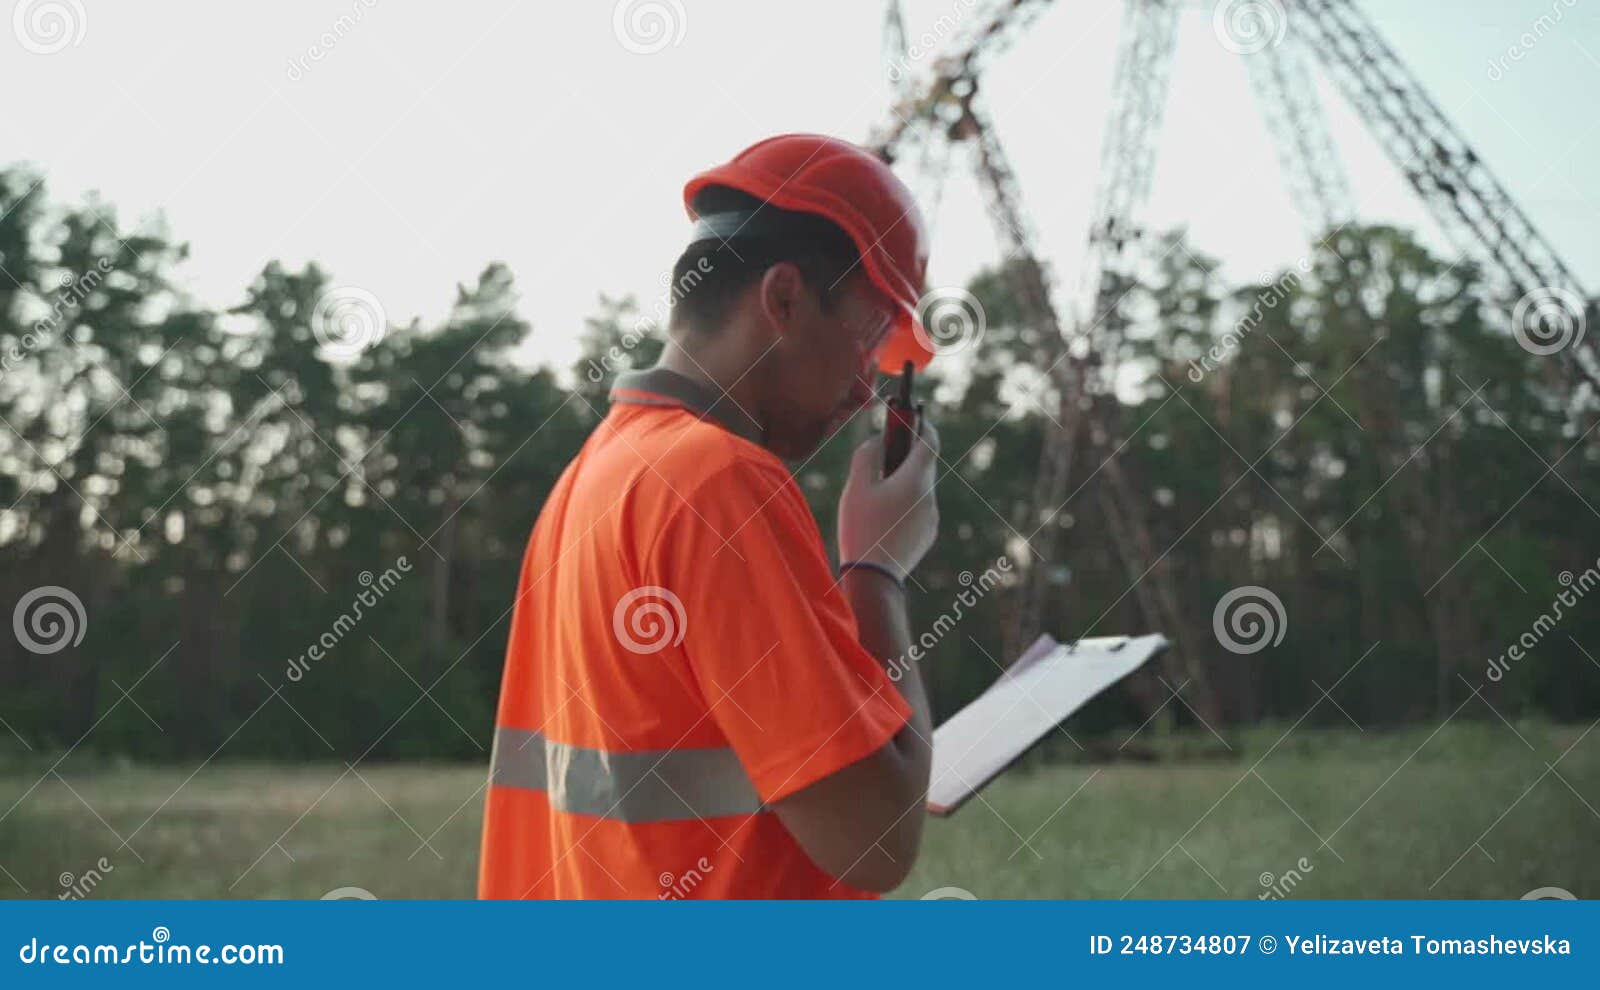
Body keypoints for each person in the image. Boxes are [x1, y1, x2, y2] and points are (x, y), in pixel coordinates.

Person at [478, 133, 941, 899]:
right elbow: (876, 841)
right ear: (783, 299)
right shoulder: (722, 483)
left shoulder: (594, 475)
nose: (867, 389)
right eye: (865, 346)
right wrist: (877, 571)